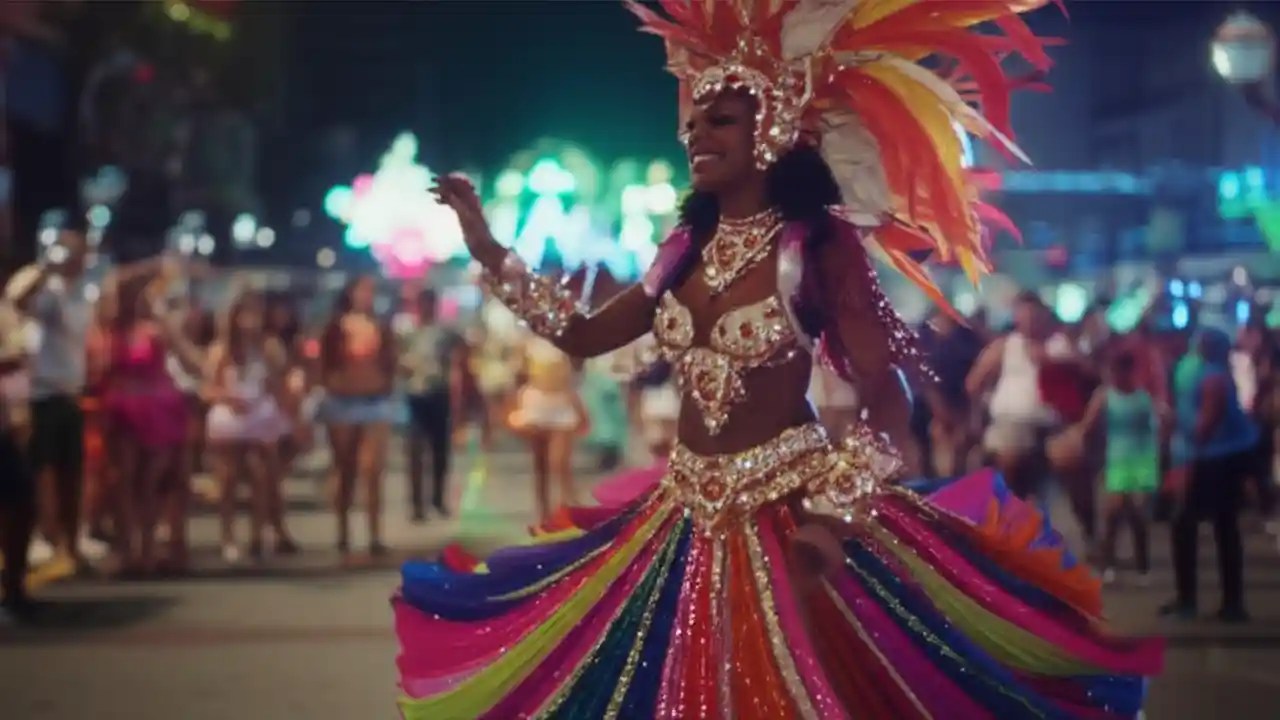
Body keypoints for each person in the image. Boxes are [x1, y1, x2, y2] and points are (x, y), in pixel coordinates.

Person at [394, 3, 1162, 717]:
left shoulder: (813, 248)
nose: (696, 134)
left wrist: (832, 517)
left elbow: (887, 399)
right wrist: (488, 249)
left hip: (791, 517)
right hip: (681, 514)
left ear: (772, 130)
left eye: (720, 121)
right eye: (693, 122)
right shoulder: (681, 249)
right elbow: (586, 334)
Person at [1165, 328, 1258, 622]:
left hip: (1216, 459)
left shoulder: (1213, 378)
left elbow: (1206, 424)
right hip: (1218, 456)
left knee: (1194, 525)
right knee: (1221, 527)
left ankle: (1197, 601)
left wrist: (1186, 462)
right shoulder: (1207, 372)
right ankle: (1226, 602)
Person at [204, 289, 297, 564]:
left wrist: (287, 416)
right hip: (230, 415)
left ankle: (259, 534)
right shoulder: (221, 349)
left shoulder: (269, 347)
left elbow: (279, 383)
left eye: (255, 314)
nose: (249, 320)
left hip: (260, 414)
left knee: (262, 475)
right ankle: (228, 536)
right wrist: (228, 398)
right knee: (228, 478)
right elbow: (208, 388)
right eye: (244, 314)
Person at [317, 276, 397, 556]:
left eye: (371, 291)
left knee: (373, 469)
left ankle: (375, 534)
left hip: (374, 400)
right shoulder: (336, 327)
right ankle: (343, 533)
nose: (367, 295)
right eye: (362, 290)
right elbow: (324, 363)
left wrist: (386, 383)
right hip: (343, 401)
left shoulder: (381, 325)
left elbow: (390, 360)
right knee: (345, 468)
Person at [1072, 350, 1164, 585]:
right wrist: (1083, 449)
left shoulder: (1143, 397)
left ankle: (1143, 566)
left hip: (1142, 459)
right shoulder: (1104, 396)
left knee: (1138, 515)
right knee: (1113, 514)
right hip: (1116, 459)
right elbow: (1087, 426)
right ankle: (1108, 565)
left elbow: (1156, 427)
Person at [398, 287, 464, 522]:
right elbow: (396, 357)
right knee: (415, 450)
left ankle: (437, 498)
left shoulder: (444, 332)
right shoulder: (406, 331)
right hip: (415, 394)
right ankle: (417, 504)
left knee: (440, 450)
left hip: (438, 392)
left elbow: (459, 354)